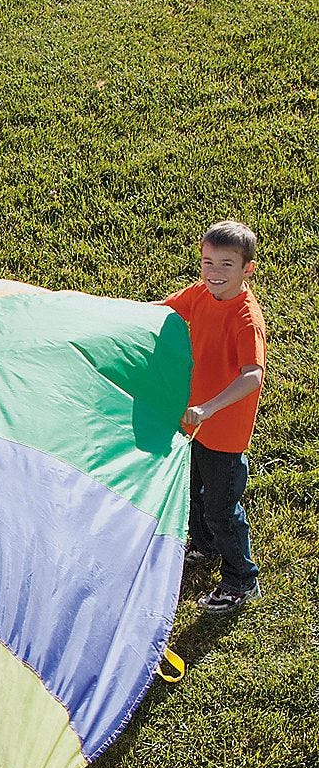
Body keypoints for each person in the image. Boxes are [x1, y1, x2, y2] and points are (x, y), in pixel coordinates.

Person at [164, 220, 266, 613]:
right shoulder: (201, 294)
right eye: (208, 262)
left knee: (222, 509)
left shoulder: (245, 319)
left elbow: (253, 376)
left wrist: (208, 408)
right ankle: (203, 547)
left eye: (226, 265)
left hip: (223, 433)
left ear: (247, 269)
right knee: (195, 493)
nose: (214, 272)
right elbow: (167, 310)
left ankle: (241, 579)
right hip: (195, 425)